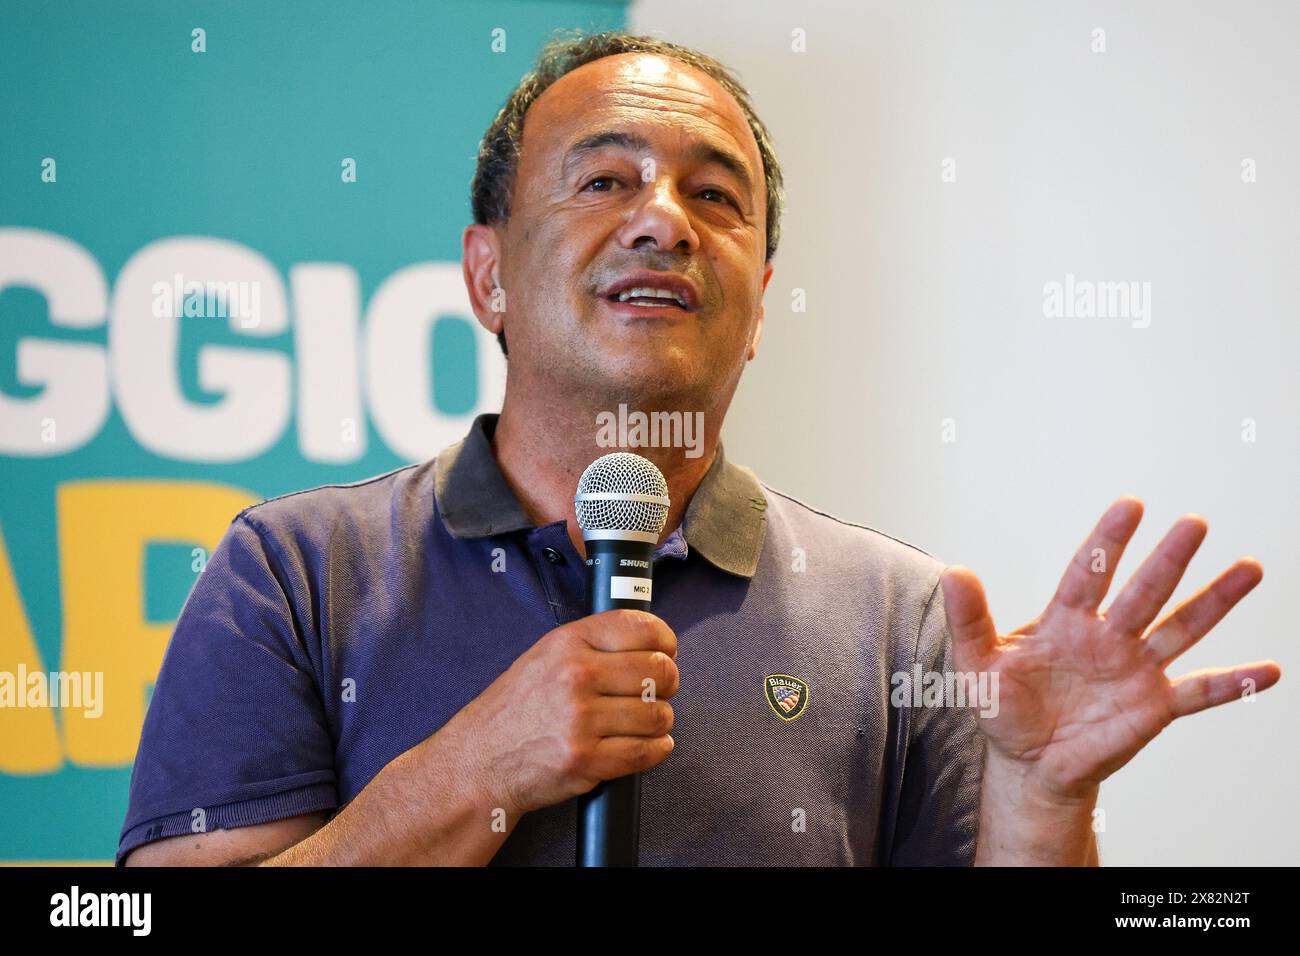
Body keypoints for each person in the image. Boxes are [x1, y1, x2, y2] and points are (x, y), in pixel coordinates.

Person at [119, 30, 1280, 866]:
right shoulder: (294, 569)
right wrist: (474, 772)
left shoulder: (901, 615)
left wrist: (1037, 802)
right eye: (605, 178)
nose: (664, 217)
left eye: (715, 196)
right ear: (488, 275)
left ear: (761, 302)